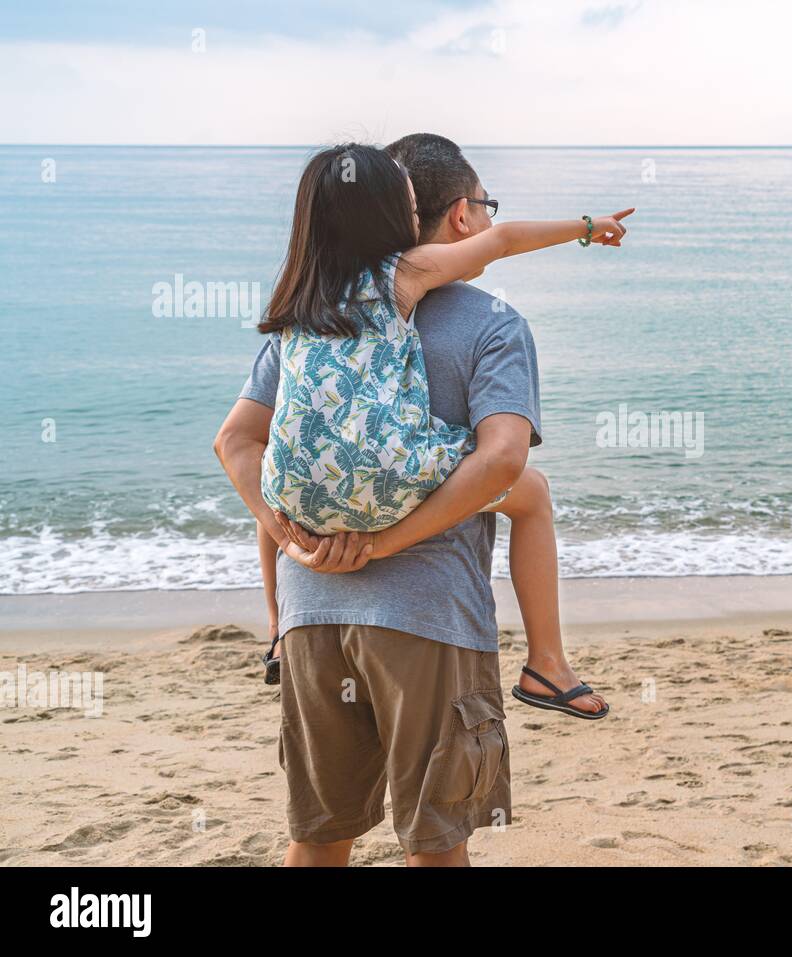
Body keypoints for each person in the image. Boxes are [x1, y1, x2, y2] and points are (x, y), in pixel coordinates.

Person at [213, 133, 614, 865]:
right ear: (460, 214)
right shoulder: (483, 318)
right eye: (485, 206)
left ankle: (272, 628)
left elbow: (236, 442)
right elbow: (499, 459)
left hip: (310, 616)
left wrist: (294, 535)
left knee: (318, 838)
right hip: (427, 621)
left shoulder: (300, 311)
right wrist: (587, 226)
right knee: (435, 846)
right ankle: (549, 661)